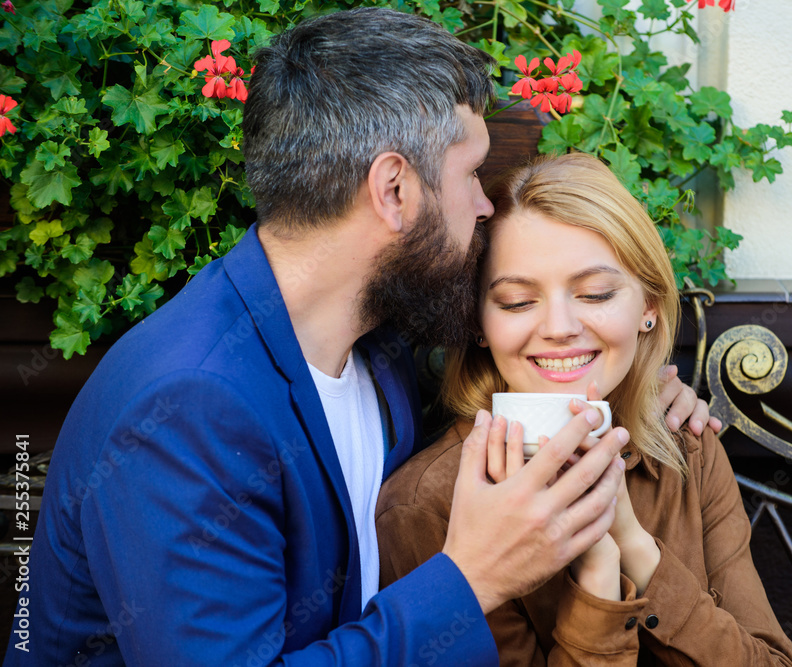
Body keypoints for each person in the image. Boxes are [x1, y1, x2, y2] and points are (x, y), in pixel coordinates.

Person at [4, 9, 713, 666]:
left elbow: (518, 360)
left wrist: (637, 376)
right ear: (395, 190)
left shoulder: (379, 346)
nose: (483, 205)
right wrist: (472, 576)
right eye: (470, 175)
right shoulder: (189, 406)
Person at [376, 153, 792, 665]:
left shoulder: (688, 446)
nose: (559, 326)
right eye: (516, 301)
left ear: (647, 307)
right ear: (478, 324)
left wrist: (635, 546)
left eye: (595, 293)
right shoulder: (427, 504)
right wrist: (598, 575)